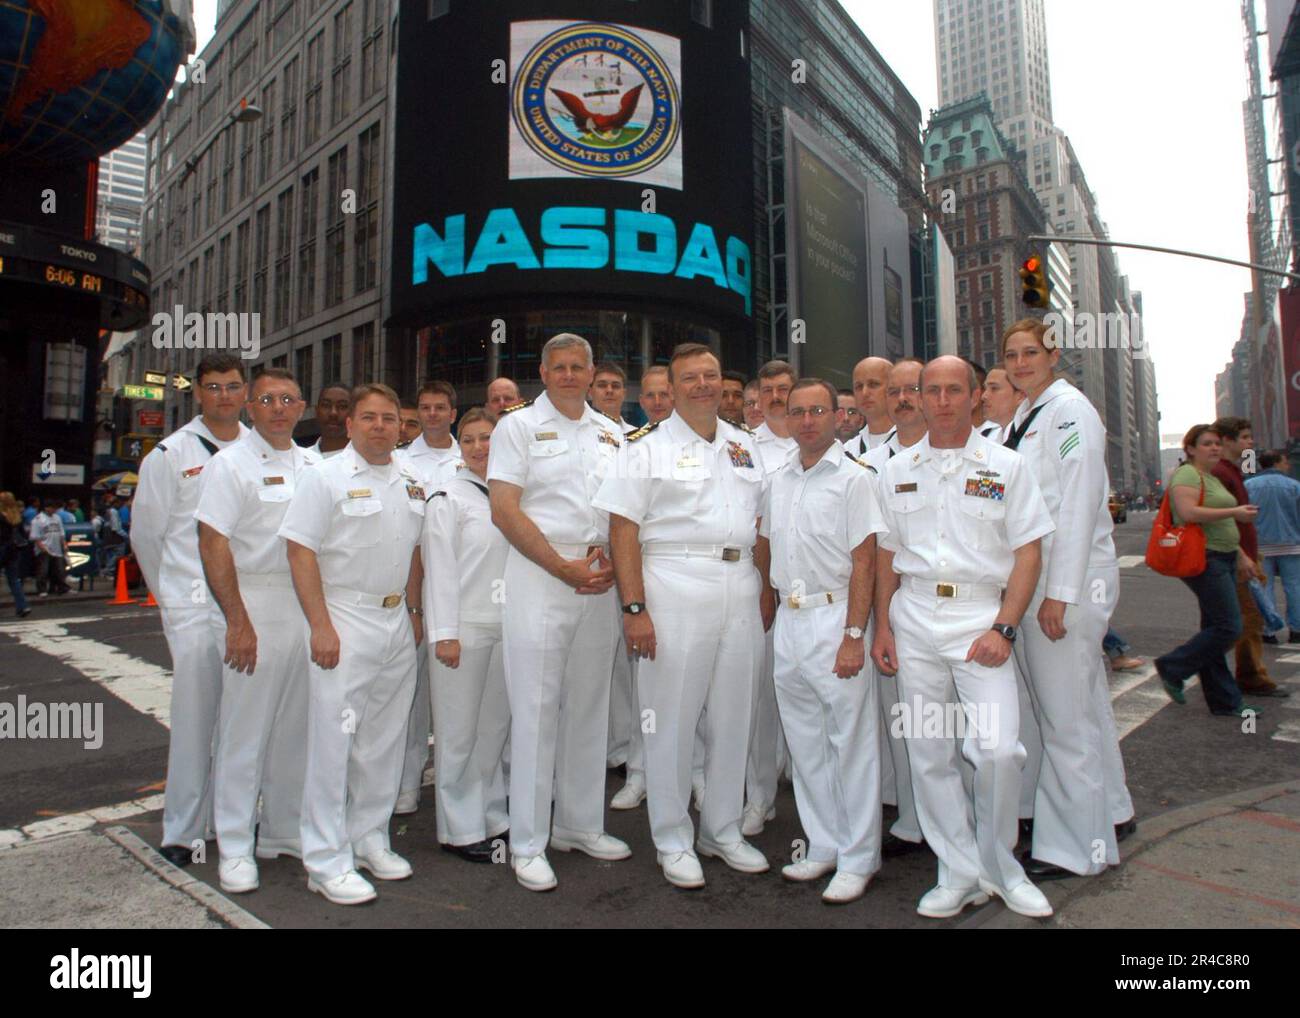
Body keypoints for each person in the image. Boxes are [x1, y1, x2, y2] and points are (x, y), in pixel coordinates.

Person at [872, 355, 1055, 920]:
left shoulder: (1007, 465)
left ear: (975, 396)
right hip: (916, 616)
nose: (944, 400)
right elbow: (885, 554)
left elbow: (1028, 551)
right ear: (920, 398)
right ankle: (956, 871)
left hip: (981, 620)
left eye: (956, 390)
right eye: (934, 390)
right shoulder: (894, 468)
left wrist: (1005, 625)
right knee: (929, 753)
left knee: (999, 750)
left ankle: (1001, 866)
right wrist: (882, 624)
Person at [595, 342, 769, 888]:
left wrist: (763, 589)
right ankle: (672, 837)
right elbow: (622, 529)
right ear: (671, 388)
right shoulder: (645, 447)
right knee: (668, 721)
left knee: (732, 716)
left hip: (738, 584)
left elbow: (759, 525)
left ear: (723, 382)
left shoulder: (744, 446)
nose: (702, 385)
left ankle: (721, 829)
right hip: (673, 582)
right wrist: (635, 607)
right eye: (689, 378)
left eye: (711, 376)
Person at [487, 332, 630, 892]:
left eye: (579, 367)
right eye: (559, 367)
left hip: (598, 576)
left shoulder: (613, 432)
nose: (570, 375)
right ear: (542, 374)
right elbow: (504, 509)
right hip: (541, 575)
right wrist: (559, 566)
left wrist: (615, 563)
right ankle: (527, 842)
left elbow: (624, 510)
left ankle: (578, 824)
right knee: (537, 710)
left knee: (590, 707)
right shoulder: (516, 427)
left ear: (592, 373)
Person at [279, 383, 427, 905]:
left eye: (391, 418)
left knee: (384, 740)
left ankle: (369, 837)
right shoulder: (324, 477)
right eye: (370, 417)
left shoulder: (411, 478)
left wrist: (413, 612)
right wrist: (319, 624)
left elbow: (412, 552)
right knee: (333, 744)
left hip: (393, 622)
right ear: (350, 423)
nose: (382, 426)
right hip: (343, 615)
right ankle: (324, 858)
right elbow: (300, 551)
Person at [1002, 319, 1135, 882]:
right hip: (1041, 581)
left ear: (1053, 354)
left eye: (1031, 352)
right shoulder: (1026, 414)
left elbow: (1080, 504)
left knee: (1064, 721)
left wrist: (1060, 595)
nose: (1020, 362)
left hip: (1065, 581)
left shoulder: (1069, 411)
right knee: (1079, 708)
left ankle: (1077, 848)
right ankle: (1111, 815)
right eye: (1011, 354)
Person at [758, 378, 885, 904]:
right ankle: (824, 844)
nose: (807, 420)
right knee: (806, 743)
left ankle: (859, 857)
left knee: (849, 744)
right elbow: (764, 546)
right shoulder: (778, 479)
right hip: (791, 620)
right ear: (786, 419)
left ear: (837, 416)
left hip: (836, 620)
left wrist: (855, 634)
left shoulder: (855, 479)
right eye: (797, 412)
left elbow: (865, 559)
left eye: (817, 410)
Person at [196, 368, 319, 894]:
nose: (277, 408)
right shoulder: (230, 465)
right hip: (257, 600)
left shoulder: (315, 464)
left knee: (297, 730)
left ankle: (283, 833)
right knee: (244, 734)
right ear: (251, 406)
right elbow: (213, 542)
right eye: (267, 398)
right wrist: (238, 621)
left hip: (306, 606)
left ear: (301, 406)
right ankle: (236, 845)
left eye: (287, 399)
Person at [133, 353, 250, 867]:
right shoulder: (169, 454)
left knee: (241, 720)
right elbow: (148, 537)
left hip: (249, 606)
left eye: (232, 386)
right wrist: (175, 599)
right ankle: (183, 831)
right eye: (213, 387)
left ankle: (233, 819)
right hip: (195, 607)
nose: (224, 395)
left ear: (245, 391)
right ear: (198, 393)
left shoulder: (260, 449)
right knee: (194, 719)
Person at [423, 408, 512, 862]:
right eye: (471, 439)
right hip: (463, 629)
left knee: (493, 729)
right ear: (460, 446)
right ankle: (458, 828)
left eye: (488, 438)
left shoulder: (511, 493)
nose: (480, 447)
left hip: (505, 627)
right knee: (458, 733)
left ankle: (493, 814)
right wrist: (444, 634)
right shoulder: (447, 496)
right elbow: (438, 570)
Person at [861, 360, 931, 858]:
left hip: (956, 607)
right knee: (901, 718)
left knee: (958, 725)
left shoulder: (970, 451)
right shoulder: (865, 460)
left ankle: (968, 820)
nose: (902, 398)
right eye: (896, 391)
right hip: (891, 604)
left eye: (912, 389)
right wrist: (877, 617)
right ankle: (912, 818)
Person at [1155, 426, 1263, 718]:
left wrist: (1240, 555)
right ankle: (1173, 666)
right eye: (1206, 444)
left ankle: (1225, 701)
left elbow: (1220, 524)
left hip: (1225, 556)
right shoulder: (1187, 475)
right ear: (1190, 449)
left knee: (1214, 628)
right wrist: (1234, 512)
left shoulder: (1209, 476)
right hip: (1206, 559)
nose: (1214, 448)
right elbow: (1188, 513)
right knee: (1229, 627)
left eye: (1216, 443)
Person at [394, 379, 464, 814]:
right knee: (411, 693)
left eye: (441, 407)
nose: (434, 414)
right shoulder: (402, 462)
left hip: (465, 587)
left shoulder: (474, 456)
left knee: (460, 696)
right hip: (414, 584)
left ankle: (456, 781)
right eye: (426, 407)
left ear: (454, 412)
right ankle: (406, 779)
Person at [746, 359, 799, 835]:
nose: (777, 397)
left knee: (808, 702)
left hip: (813, 592)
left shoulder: (820, 444)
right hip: (760, 583)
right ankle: (759, 798)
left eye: (785, 388)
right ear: (758, 397)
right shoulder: (741, 446)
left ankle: (811, 800)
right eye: (769, 389)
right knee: (760, 700)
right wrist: (764, 589)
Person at [591, 361, 641, 791]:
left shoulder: (634, 439)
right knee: (586, 663)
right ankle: (590, 747)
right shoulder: (582, 432)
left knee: (625, 664)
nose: (608, 391)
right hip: (585, 561)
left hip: (624, 558)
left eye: (615, 385)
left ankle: (622, 748)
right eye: (602, 385)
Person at [1211, 417, 1283, 698]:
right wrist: (1242, 556)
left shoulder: (1231, 471)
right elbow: (1223, 521)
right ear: (1228, 441)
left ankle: (1242, 674)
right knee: (1248, 619)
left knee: (1244, 619)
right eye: (1244, 437)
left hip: (1247, 555)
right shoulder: (1222, 473)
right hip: (1236, 558)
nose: (1250, 442)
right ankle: (1251, 677)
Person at [1246, 450, 1300, 648]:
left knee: (1264, 587)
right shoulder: (1295, 486)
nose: (1289, 465)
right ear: (1277, 462)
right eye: (1285, 461)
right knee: (1294, 587)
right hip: (1292, 543)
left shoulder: (1249, 486)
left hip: (1260, 544)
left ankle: (1268, 630)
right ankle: (1296, 630)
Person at [851, 356, 895, 453]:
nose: (864, 393)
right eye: (858, 386)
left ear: (892, 388)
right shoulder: (847, 451)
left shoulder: (912, 443)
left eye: (873, 384)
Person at [0, 492, 32, 617]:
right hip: (13, 551)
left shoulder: (1, 516)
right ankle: (22, 606)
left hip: (2, 548)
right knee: (14, 580)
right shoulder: (17, 516)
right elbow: (24, 535)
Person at [31, 501, 69, 596]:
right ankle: (42, 589)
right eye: (53, 508)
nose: (55, 510)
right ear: (46, 508)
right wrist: (43, 548)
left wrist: (64, 545)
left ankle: (60, 587)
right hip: (44, 548)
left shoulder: (57, 518)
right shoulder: (38, 520)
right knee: (43, 570)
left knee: (59, 569)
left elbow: (61, 533)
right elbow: (36, 537)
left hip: (57, 548)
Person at [309, 383, 351, 459]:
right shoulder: (299, 459)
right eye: (326, 405)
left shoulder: (368, 459)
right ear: (316, 412)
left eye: (342, 406)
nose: (333, 413)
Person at [980, 366, 1023, 438]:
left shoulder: (1040, 432)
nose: (984, 396)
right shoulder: (986, 437)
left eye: (994, 388)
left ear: (1021, 396)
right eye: (985, 388)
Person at [591, 362, 631, 430]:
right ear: (590, 392)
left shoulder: (638, 438)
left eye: (615, 386)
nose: (609, 390)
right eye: (602, 385)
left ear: (624, 394)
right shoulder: (577, 431)